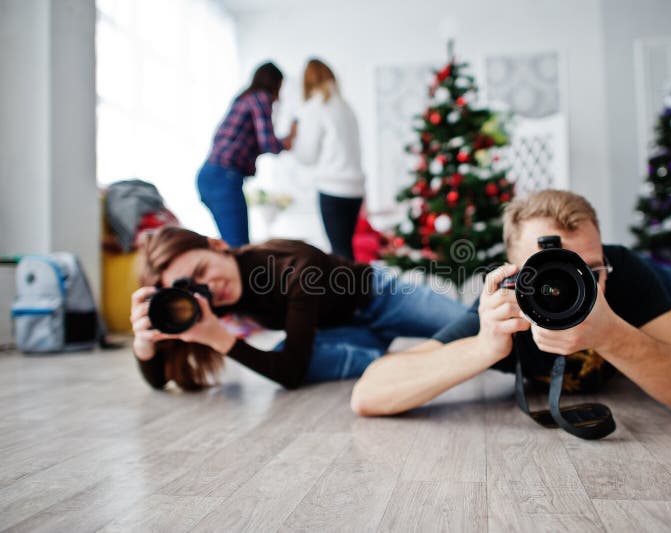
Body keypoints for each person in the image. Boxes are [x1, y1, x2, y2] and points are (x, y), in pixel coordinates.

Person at [350, 190, 671, 418]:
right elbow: (368, 395)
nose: (572, 285)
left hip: (634, 312)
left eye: (588, 269)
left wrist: (613, 334)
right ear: (513, 274)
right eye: (548, 273)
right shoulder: (506, 310)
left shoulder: (620, 274)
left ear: (603, 260)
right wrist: (485, 347)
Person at [130, 225, 466, 391]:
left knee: (471, 328)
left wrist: (219, 339)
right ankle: (391, 361)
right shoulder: (206, 302)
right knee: (284, 354)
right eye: (189, 287)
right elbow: (160, 380)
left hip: (380, 297)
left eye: (202, 271)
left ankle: (401, 360)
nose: (209, 288)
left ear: (218, 246)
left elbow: (289, 374)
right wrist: (145, 343)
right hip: (340, 330)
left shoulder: (290, 265)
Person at [197, 62, 294, 247]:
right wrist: (287, 142)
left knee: (230, 247)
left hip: (209, 175)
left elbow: (253, 143)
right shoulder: (261, 98)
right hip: (223, 177)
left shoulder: (244, 98)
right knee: (239, 248)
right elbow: (268, 143)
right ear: (275, 84)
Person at [290, 58, 365, 260]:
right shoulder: (345, 107)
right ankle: (355, 289)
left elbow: (307, 156)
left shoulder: (314, 108)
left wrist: (294, 138)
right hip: (356, 188)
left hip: (333, 187)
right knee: (346, 248)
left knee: (339, 254)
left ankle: (351, 291)